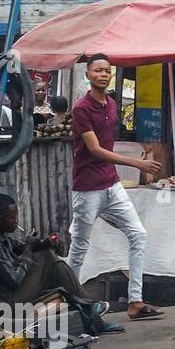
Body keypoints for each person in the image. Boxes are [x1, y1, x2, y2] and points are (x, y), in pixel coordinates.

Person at [66, 54, 164, 320]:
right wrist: (136, 164)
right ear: (88, 75)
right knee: (80, 246)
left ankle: (135, 301)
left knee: (138, 235)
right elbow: (95, 150)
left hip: (111, 184)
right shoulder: (81, 108)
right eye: (98, 70)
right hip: (88, 187)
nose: (103, 74)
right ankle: (69, 302)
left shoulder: (111, 104)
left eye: (107, 71)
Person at [0, 194, 120, 335]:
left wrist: (46, 243)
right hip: (6, 303)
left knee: (49, 256)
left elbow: (23, 247)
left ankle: (91, 310)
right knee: (45, 256)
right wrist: (31, 249)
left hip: (12, 296)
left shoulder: (1, 236)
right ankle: (91, 308)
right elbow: (14, 279)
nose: (16, 221)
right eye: (13, 218)